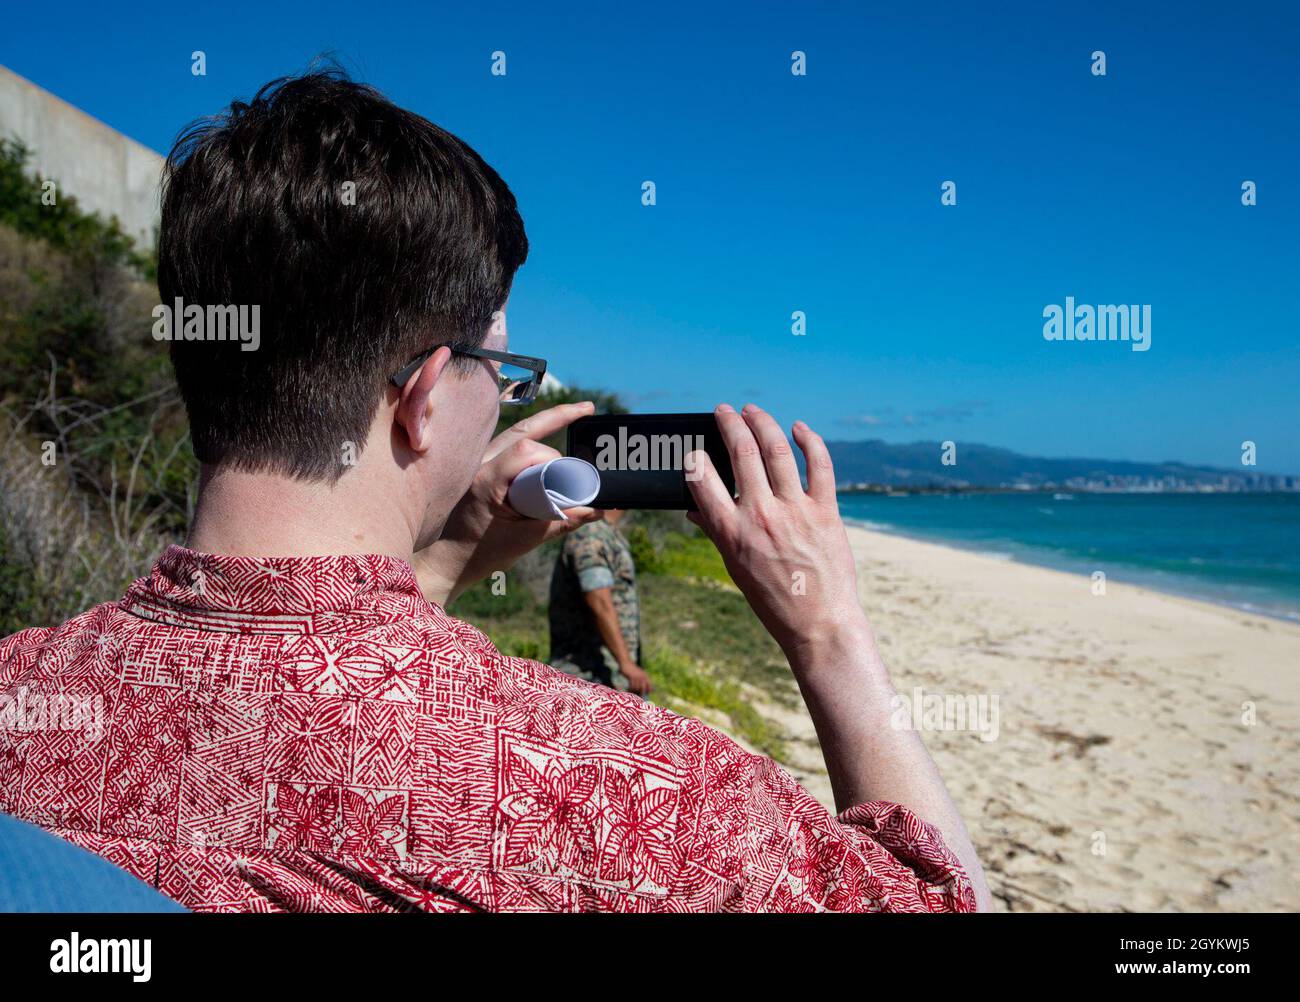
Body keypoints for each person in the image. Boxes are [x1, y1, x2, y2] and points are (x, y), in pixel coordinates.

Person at [0, 69, 989, 912]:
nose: (506, 405)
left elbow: (274, 719)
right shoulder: (607, 787)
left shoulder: (23, 691)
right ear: (425, 395)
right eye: (502, 373)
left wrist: (435, 569)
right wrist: (829, 635)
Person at [548, 509, 652, 696]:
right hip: (585, 680)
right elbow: (598, 598)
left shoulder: (607, 534)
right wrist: (626, 663)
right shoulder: (591, 534)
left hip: (608, 679)